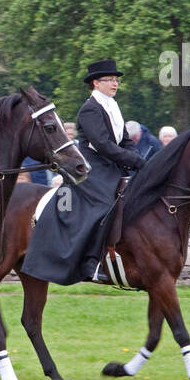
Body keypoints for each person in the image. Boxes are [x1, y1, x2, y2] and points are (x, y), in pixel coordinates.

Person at [21, 59, 145, 285]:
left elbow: (124, 140)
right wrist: (134, 161)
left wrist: (138, 160)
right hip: (92, 169)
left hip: (113, 166)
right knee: (105, 207)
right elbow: (104, 145)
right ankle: (92, 263)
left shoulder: (113, 106)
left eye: (116, 80)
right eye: (110, 80)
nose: (115, 84)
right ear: (96, 83)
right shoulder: (90, 109)